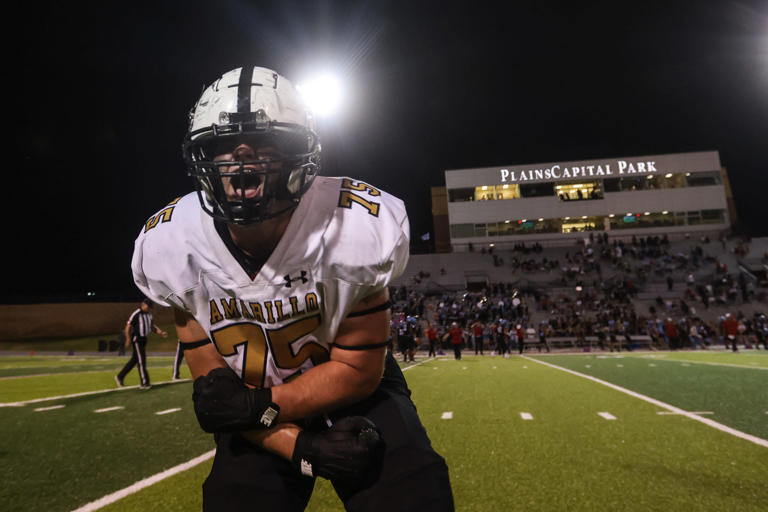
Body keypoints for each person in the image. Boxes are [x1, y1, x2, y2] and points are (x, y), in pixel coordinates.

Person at [130, 66, 453, 511]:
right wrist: (302, 449)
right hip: (251, 399)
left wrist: (258, 405)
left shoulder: (351, 228)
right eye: (223, 145)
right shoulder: (173, 247)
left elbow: (359, 371)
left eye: (269, 142)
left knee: (414, 494)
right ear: (201, 158)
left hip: (350, 386)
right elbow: (219, 401)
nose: (242, 155)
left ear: (300, 154)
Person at [115, 298, 168, 388]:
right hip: (137, 340)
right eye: (148, 306)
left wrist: (161, 332)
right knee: (141, 360)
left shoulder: (149, 315)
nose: (149, 308)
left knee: (134, 360)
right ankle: (144, 382)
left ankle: (120, 376)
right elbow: (128, 326)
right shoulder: (136, 314)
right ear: (143, 304)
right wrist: (128, 339)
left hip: (144, 340)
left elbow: (152, 326)